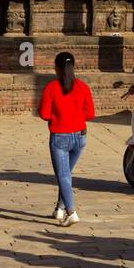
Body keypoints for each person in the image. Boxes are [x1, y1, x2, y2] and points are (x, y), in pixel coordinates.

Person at [38, 51, 95, 224]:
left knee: (63, 175)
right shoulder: (83, 87)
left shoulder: (52, 87)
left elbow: (44, 113)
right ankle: (60, 208)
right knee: (66, 174)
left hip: (60, 137)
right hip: (80, 136)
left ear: (56, 68)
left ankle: (71, 211)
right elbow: (90, 113)